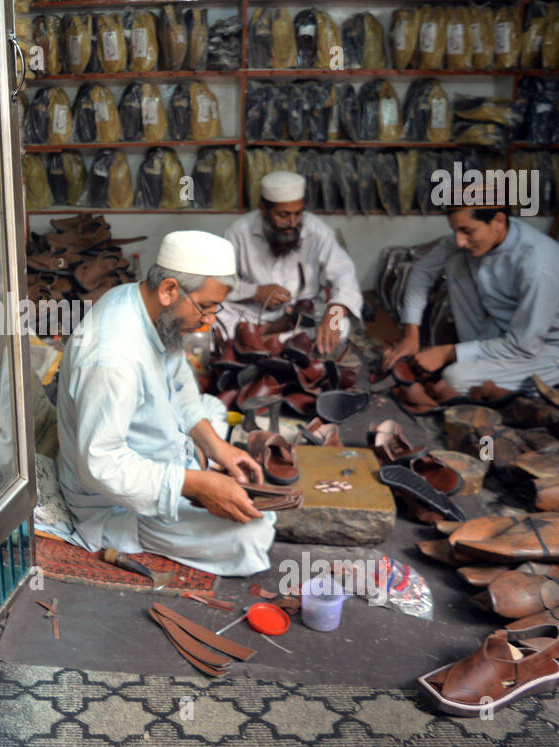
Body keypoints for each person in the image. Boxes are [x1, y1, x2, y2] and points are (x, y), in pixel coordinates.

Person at [56, 230, 276, 576]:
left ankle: (203, 466)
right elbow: (101, 467)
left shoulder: (143, 302)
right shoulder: (111, 360)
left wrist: (218, 449)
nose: (208, 321)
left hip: (162, 453)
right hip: (117, 502)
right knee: (251, 537)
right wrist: (196, 484)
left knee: (213, 411)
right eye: (205, 307)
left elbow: (180, 383)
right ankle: (188, 490)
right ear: (170, 289)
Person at [382, 196, 559, 391]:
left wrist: (447, 353)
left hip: (555, 350)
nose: (459, 240)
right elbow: (422, 272)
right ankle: (472, 354)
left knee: (454, 378)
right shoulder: (473, 236)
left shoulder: (538, 266)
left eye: (467, 231)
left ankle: (469, 361)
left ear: (498, 221)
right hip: (505, 332)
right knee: (456, 258)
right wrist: (411, 335)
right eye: (456, 231)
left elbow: (523, 346)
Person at [218, 170, 363, 355]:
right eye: (284, 215)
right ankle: (278, 338)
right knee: (214, 321)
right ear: (263, 209)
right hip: (251, 312)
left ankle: (258, 342)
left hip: (304, 314)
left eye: (298, 214)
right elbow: (220, 282)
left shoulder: (317, 230)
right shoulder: (238, 232)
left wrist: (334, 315)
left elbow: (344, 274)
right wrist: (255, 292)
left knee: (341, 326)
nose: (293, 223)